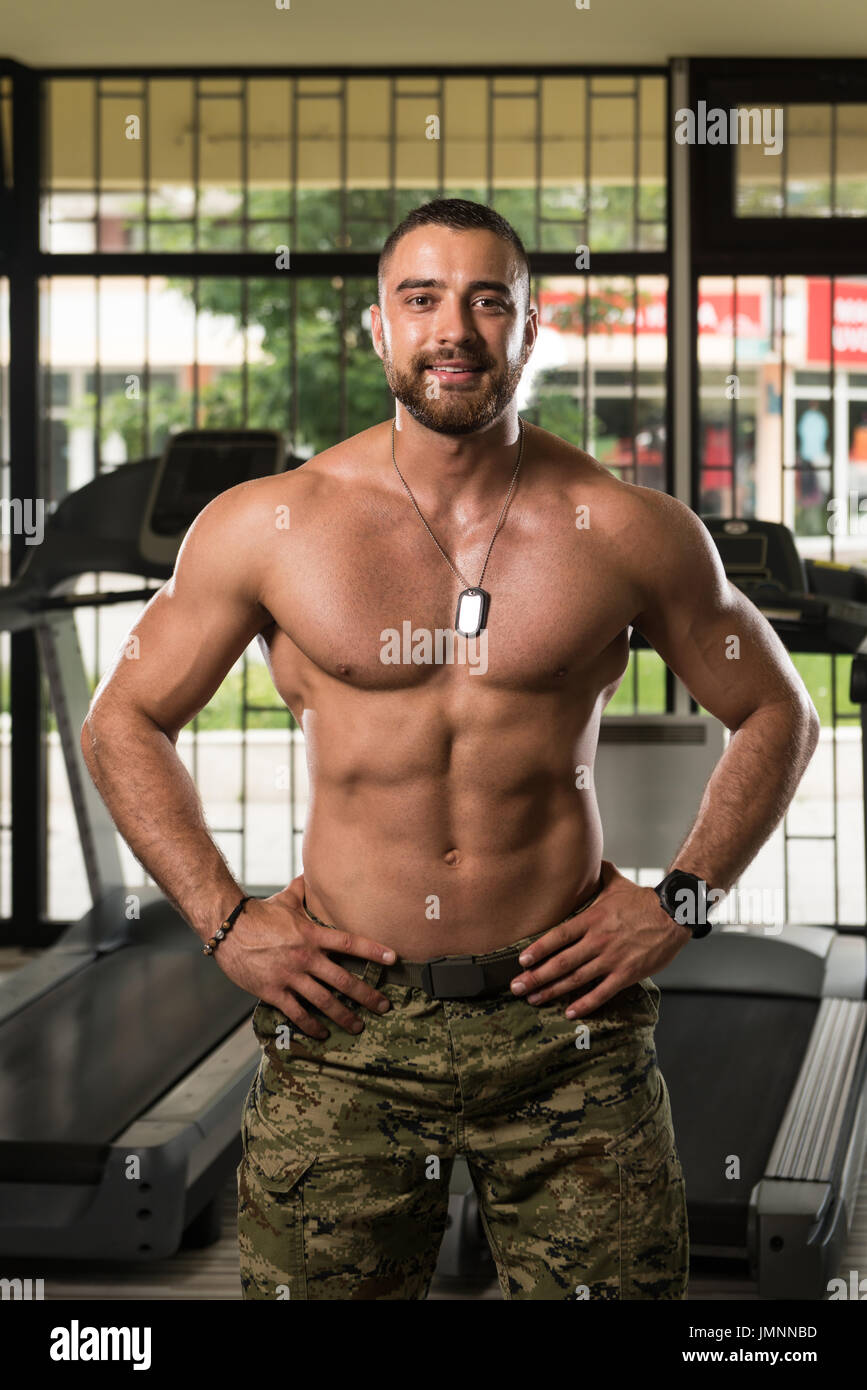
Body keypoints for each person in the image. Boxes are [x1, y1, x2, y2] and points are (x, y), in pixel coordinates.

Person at [80, 198, 820, 1301]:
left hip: (567, 1022)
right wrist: (226, 922)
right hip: (344, 1020)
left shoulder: (627, 528)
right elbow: (121, 720)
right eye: (421, 298)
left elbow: (779, 713)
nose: (454, 329)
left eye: (488, 300)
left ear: (530, 329)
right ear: (376, 327)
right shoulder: (266, 524)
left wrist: (684, 902)